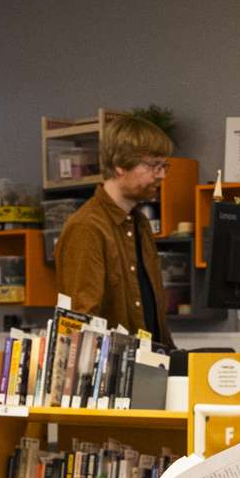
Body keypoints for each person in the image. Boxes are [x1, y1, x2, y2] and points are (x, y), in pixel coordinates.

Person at [52, 110, 171, 337]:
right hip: (109, 368)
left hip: (148, 362)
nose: (162, 175)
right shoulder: (87, 227)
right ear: (120, 165)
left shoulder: (140, 223)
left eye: (164, 166)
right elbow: (80, 323)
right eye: (154, 165)